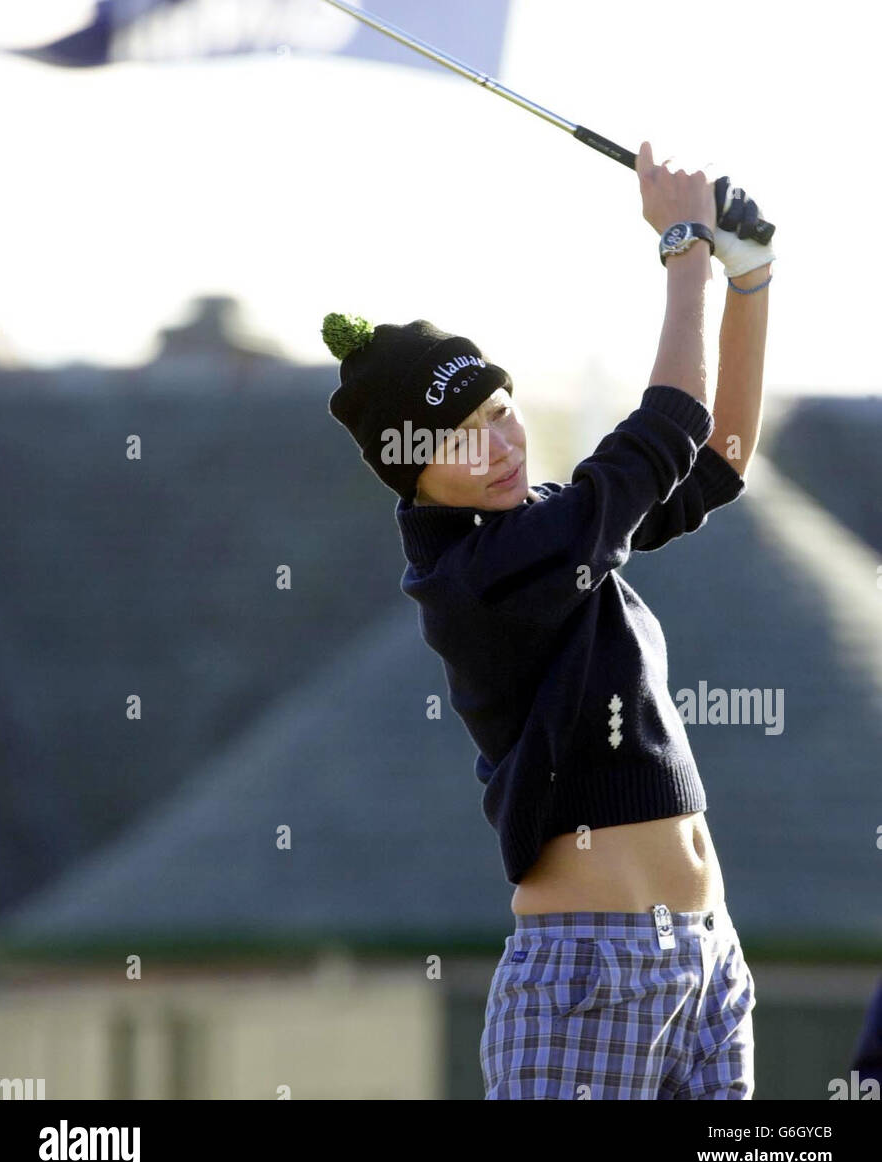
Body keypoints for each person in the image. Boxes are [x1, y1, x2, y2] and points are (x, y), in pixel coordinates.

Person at [321, 140, 775, 1099]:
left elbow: (716, 461)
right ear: (412, 474)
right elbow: (664, 428)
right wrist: (684, 248)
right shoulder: (478, 575)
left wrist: (748, 281)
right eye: (457, 439)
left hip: (705, 963)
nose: (496, 447)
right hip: (588, 977)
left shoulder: (551, 527)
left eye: (499, 411)